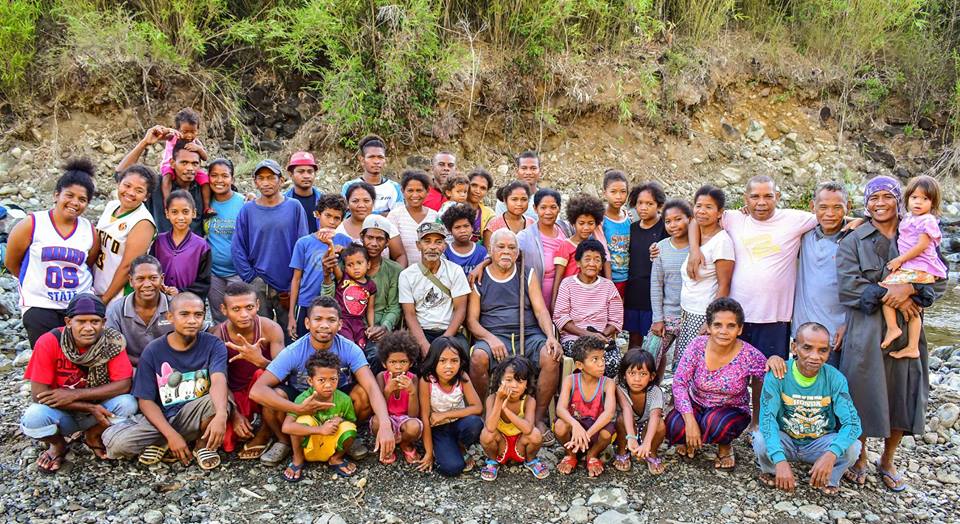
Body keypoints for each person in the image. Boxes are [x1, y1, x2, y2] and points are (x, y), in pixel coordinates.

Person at [836, 175, 947, 492]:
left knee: (902, 391)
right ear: (866, 202)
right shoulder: (854, 240)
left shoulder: (916, 229)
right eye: (874, 198)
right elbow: (847, 286)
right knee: (861, 391)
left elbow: (939, 276)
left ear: (900, 199)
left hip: (908, 328)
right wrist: (891, 293)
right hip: (867, 329)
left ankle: (888, 459)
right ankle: (859, 456)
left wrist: (911, 287)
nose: (880, 203)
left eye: (888, 196)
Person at [248, 296, 396, 465]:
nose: (324, 325)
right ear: (307, 323)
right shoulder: (293, 351)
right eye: (318, 319)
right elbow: (257, 391)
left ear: (340, 324)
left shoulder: (350, 349)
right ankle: (285, 441)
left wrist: (385, 423)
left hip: (336, 402)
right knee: (273, 397)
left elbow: (371, 386)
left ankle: (345, 434)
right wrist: (298, 408)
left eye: (331, 320)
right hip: (302, 398)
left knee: (363, 393)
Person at [688, 175, 817, 360]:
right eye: (755, 197)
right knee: (734, 372)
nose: (761, 202)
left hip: (774, 317)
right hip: (736, 315)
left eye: (768, 196)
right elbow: (696, 219)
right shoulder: (734, 218)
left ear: (778, 197)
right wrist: (694, 250)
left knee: (769, 373)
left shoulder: (795, 219)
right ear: (745, 198)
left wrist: (860, 222)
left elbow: (830, 216)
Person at [102, 293, 233, 470]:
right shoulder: (153, 350)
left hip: (193, 413)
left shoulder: (214, 344)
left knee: (219, 402)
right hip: (162, 418)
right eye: (184, 314)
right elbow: (145, 401)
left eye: (198, 315)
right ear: (170, 317)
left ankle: (200, 445)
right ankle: (167, 440)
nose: (192, 320)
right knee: (117, 444)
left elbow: (218, 380)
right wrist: (171, 435)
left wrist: (221, 415)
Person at [21, 294, 136, 473]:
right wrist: (89, 407)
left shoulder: (112, 341)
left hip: (97, 412)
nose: (88, 328)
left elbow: (123, 385)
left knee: (128, 403)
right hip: (63, 413)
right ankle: (58, 445)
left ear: (104, 322)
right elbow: (38, 396)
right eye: (81, 321)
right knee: (33, 417)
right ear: (68, 321)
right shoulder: (49, 341)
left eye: (95, 321)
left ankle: (93, 434)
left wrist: (75, 395)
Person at [467, 228, 563, 442]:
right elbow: (471, 321)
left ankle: (537, 418)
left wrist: (550, 336)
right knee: (478, 357)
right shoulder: (480, 278)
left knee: (550, 355)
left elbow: (540, 310)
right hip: (494, 335)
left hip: (528, 333)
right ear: (490, 251)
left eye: (511, 247)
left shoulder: (525, 273)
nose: (506, 251)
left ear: (518, 253)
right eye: (500, 247)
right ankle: (486, 414)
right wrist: (490, 339)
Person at [752, 322, 862, 496]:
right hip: (786, 440)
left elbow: (853, 424)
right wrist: (780, 460)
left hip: (819, 443)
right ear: (794, 348)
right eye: (807, 348)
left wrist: (831, 454)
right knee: (760, 439)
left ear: (829, 351)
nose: (815, 356)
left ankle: (830, 477)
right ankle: (772, 470)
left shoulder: (835, 378)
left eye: (822, 350)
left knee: (853, 448)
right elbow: (767, 420)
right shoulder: (778, 374)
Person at [5, 159, 98, 347]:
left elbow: (88, 264)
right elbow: (11, 262)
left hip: (77, 305)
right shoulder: (33, 223)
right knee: (47, 357)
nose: (74, 203)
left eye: (82, 199)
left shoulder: (89, 230)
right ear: (56, 195)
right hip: (40, 303)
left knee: (80, 360)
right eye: (69, 195)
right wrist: (33, 281)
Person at [666, 297, 766, 471]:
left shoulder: (750, 355)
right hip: (697, 403)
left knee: (716, 424)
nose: (723, 331)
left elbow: (768, 374)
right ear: (709, 327)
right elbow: (679, 382)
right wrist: (689, 422)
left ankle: (725, 446)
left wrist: (775, 360)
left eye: (731, 326)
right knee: (673, 425)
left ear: (740, 329)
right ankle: (691, 436)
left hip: (730, 409)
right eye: (718, 325)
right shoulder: (697, 345)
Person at [232, 159, 308, 341]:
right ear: (255, 182)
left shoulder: (294, 207)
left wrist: (295, 279)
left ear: (281, 180)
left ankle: (291, 370)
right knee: (259, 334)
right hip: (258, 282)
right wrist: (251, 277)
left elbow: (302, 244)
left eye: (271, 177)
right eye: (261, 178)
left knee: (290, 334)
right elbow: (237, 247)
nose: (266, 182)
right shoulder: (248, 210)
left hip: (288, 283)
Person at [211, 282, 285, 457]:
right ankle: (244, 419)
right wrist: (234, 413)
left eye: (249, 307)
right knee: (227, 441)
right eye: (236, 309)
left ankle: (266, 432)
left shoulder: (270, 329)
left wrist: (260, 361)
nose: (244, 315)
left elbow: (285, 373)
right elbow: (218, 379)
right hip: (234, 393)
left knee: (262, 376)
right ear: (223, 309)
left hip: (263, 388)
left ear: (258, 305)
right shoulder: (217, 335)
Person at [879, 175, 948, 359]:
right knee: (914, 306)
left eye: (925, 199)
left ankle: (893, 329)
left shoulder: (927, 221)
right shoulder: (909, 217)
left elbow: (921, 246)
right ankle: (912, 346)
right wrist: (853, 220)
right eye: (914, 197)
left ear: (933, 203)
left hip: (918, 268)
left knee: (886, 289)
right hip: (912, 267)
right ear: (907, 198)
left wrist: (899, 260)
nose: (918, 202)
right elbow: (881, 218)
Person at [673, 185, 735, 368]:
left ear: (719, 213)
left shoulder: (722, 242)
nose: (702, 211)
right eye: (698, 205)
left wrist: (711, 321)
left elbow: (724, 286)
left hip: (702, 314)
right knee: (683, 363)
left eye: (709, 207)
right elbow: (693, 221)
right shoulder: (698, 232)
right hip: (687, 310)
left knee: (695, 366)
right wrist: (694, 251)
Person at [792, 182, 849, 367]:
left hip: (836, 335)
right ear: (812, 207)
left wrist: (850, 323)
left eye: (837, 207)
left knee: (833, 389)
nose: (830, 214)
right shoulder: (802, 234)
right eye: (823, 207)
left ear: (848, 208)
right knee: (801, 391)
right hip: (802, 335)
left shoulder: (854, 240)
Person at [282, 351, 359, 480]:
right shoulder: (303, 399)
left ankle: (336, 458)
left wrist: (340, 419)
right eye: (321, 380)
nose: (328, 385)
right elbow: (286, 427)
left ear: (338, 378)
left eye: (333, 379)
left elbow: (352, 422)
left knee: (349, 427)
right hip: (308, 446)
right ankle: (298, 459)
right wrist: (320, 429)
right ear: (310, 381)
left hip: (330, 445)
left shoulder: (344, 399)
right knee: (303, 420)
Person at [553, 239, 624, 377]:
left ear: (602, 265)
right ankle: (581, 395)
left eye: (597, 260)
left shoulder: (608, 286)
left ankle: (601, 396)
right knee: (588, 360)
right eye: (587, 259)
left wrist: (602, 336)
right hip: (574, 339)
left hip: (602, 338)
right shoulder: (567, 284)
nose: (592, 264)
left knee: (613, 363)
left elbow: (616, 320)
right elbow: (560, 317)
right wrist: (588, 335)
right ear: (578, 262)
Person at [398, 222, 471, 355]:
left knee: (461, 355)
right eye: (427, 241)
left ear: (444, 246)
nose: (432, 247)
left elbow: (460, 309)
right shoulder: (407, 275)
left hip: (450, 332)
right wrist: (423, 344)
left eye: (438, 242)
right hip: (421, 332)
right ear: (418, 245)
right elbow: (410, 314)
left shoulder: (455, 271)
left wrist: (445, 340)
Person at [416, 337, 484, 476]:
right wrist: (428, 453)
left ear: (461, 362)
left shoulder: (462, 377)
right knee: (452, 468)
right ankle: (439, 448)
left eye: (454, 361)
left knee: (475, 423)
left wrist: (445, 415)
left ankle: (460, 445)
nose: (449, 366)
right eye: (442, 361)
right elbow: (425, 416)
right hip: (438, 429)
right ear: (434, 361)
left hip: (457, 424)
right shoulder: (427, 381)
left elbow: (477, 408)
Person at [288, 195, 354, 339]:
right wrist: (291, 314)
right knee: (304, 343)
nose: (331, 221)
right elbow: (296, 279)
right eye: (327, 215)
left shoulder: (346, 242)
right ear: (317, 214)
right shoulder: (303, 243)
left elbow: (347, 277)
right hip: (306, 302)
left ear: (342, 220)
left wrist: (341, 252)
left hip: (333, 304)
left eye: (337, 218)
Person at [120, 126, 205, 235]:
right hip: (158, 250)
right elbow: (120, 174)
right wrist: (144, 143)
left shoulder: (204, 189)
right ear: (173, 163)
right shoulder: (157, 184)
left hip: (193, 251)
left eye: (195, 163)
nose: (190, 168)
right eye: (184, 163)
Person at [93, 164, 157, 305]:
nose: (130, 192)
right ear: (119, 183)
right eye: (127, 185)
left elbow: (128, 266)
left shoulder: (143, 222)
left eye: (139, 190)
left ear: (146, 196)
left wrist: (105, 299)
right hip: (97, 285)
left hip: (118, 295)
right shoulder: (111, 206)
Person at [554, 336, 617, 477]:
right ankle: (571, 455)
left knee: (607, 433)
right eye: (595, 359)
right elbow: (560, 409)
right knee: (559, 426)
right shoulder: (570, 380)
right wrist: (575, 425)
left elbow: (609, 413)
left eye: (603, 358)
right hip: (575, 431)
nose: (601, 364)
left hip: (595, 429)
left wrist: (586, 435)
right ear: (579, 365)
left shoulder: (608, 383)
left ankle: (592, 454)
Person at [479, 356, 549, 481]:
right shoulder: (492, 399)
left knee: (536, 434)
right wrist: (499, 401)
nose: (514, 385)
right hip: (500, 445)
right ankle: (492, 462)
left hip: (520, 445)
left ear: (527, 384)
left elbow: (528, 429)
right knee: (486, 434)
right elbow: (490, 427)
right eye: (509, 380)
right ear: (499, 381)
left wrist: (505, 410)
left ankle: (531, 460)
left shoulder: (529, 400)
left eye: (520, 381)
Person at [105, 255, 174, 365]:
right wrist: (147, 364)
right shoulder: (116, 310)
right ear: (131, 281)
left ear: (162, 279)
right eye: (140, 279)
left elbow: (199, 333)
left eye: (153, 278)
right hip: (131, 367)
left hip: (171, 367)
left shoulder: (175, 306)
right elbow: (111, 350)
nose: (147, 284)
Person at [649, 199, 693, 374]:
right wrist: (657, 318)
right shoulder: (660, 248)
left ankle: (676, 401)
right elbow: (656, 285)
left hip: (691, 317)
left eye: (678, 219)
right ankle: (648, 399)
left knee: (683, 367)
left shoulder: (699, 247)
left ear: (690, 219)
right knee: (649, 356)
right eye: (668, 221)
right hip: (667, 316)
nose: (673, 225)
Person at [624, 181, 668, 347]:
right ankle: (630, 372)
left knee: (657, 343)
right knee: (634, 338)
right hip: (634, 290)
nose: (643, 207)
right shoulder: (632, 228)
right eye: (640, 203)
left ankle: (656, 374)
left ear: (659, 205)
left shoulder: (665, 227)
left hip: (655, 293)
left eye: (649, 204)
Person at [358, 215, 403, 371]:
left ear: (387, 243)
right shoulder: (347, 264)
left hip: (379, 332)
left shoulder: (394, 269)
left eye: (380, 239)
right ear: (361, 237)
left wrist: (384, 327)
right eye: (370, 237)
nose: (374, 243)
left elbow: (394, 307)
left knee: (379, 356)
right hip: (350, 329)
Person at [551, 194, 611, 310]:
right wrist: (554, 302)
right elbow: (558, 276)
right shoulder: (566, 245)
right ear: (573, 223)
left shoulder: (595, 246)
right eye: (581, 223)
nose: (586, 228)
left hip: (592, 296)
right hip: (571, 296)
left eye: (590, 223)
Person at [372, 330, 422, 465]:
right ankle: (388, 444)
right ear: (384, 363)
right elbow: (378, 408)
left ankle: (404, 444)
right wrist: (388, 390)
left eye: (403, 361)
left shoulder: (414, 379)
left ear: (411, 363)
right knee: (376, 421)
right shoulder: (381, 377)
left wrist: (411, 392)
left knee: (414, 426)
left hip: (405, 419)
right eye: (392, 362)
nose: (398, 366)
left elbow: (413, 414)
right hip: (386, 418)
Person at [613, 349, 667, 475]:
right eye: (632, 373)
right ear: (624, 375)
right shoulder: (621, 388)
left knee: (659, 423)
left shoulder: (655, 392)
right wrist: (631, 437)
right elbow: (626, 409)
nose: (637, 379)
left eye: (643, 374)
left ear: (651, 376)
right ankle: (622, 450)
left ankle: (651, 452)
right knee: (621, 418)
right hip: (627, 427)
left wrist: (647, 442)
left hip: (648, 427)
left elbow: (655, 416)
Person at [205, 159, 246, 323]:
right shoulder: (205, 202)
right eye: (214, 175)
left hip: (238, 273)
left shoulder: (243, 202)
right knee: (219, 318)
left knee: (240, 316)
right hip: (214, 274)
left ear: (232, 179)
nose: (219, 180)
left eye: (224, 176)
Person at [150, 190, 211, 299]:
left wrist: (181, 292)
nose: (180, 217)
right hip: (160, 301)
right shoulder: (159, 241)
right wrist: (159, 285)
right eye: (174, 212)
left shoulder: (201, 246)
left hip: (188, 303)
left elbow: (204, 282)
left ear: (194, 213)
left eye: (185, 212)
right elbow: (150, 269)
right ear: (167, 214)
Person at [517, 189, 571, 311]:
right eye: (543, 207)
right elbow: (504, 251)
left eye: (553, 207)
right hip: (539, 300)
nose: (548, 212)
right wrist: (483, 264)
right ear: (535, 209)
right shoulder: (525, 237)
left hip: (568, 298)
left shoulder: (566, 229)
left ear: (559, 208)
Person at [158, 108, 212, 217]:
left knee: (205, 180)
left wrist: (198, 149)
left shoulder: (196, 142)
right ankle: (167, 204)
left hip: (191, 168)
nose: (189, 136)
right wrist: (168, 130)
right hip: (169, 165)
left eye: (193, 132)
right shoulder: (173, 136)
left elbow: (205, 158)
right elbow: (161, 135)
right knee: (167, 178)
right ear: (178, 129)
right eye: (185, 131)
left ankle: (207, 207)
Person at [337, 181, 405, 265]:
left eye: (366, 201)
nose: (361, 205)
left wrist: (396, 276)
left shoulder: (385, 225)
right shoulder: (339, 231)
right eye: (355, 201)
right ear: (347, 203)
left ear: (373, 202)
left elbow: (400, 255)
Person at [322, 244, 377, 348]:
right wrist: (333, 249)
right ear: (345, 268)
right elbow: (333, 264)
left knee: (360, 348)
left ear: (368, 264)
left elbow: (370, 308)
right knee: (348, 346)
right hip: (343, 322)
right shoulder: (343, 278)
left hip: (359, 324)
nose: (355, 268)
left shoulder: (371, 286)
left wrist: (371, 326)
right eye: (350, 265)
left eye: (359, 263)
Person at [341, 135, 404, 216]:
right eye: (371, 157)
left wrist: (363, 214)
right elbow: (346, 216)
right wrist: (384, 214)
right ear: (362, 159)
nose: (376, 161)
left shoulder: (395, 187)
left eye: (380, 157)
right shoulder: (349, 186)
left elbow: (398, 216)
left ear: (385, 160)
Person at [387, 170, 438, 266]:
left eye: (419, 190)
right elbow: (394, 253)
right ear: (402, 191)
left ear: (427, 191)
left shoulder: (434, 216)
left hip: (431, 273)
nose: (415, 195)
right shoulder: (395, 216)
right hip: (404, 274)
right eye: (410, 190)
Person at [602, 170, 634, 299]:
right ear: (604, 193)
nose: (619, 196)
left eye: (623, 192)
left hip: (629, 278)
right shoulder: (600, 220)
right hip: (608, 279)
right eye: (613, 192)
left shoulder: (630, 218)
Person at [483, 181, 534, 248]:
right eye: (514, 199)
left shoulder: (532, 224)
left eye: (524, 199)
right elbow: (490, 253)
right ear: (505, 200)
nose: (519, 203)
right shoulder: (493, 226)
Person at [442, 203, 488, 276]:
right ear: (450, 230)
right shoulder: (446, 252)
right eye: (457, 227)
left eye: (466, 226)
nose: (463, 230)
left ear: (472, 227)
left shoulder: (481, 251)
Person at [284, 151, 323, 234]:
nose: (306, 176)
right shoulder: (282, 202)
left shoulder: (324, 201)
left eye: (310, 171)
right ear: (291, 174)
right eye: (301, 171)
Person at [494, 151, 541, 220]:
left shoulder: (545, 198)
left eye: (533, 168)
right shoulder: (505, 198)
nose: (528, 172)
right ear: (517, 171)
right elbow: (500, 226)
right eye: (524, 168)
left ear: (540, 172)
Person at [466, 168, 496, 243]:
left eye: (483, 188)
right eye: (474, 185)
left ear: (487, 191)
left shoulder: (489, 214)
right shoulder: (454, 208)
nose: (477, 191)